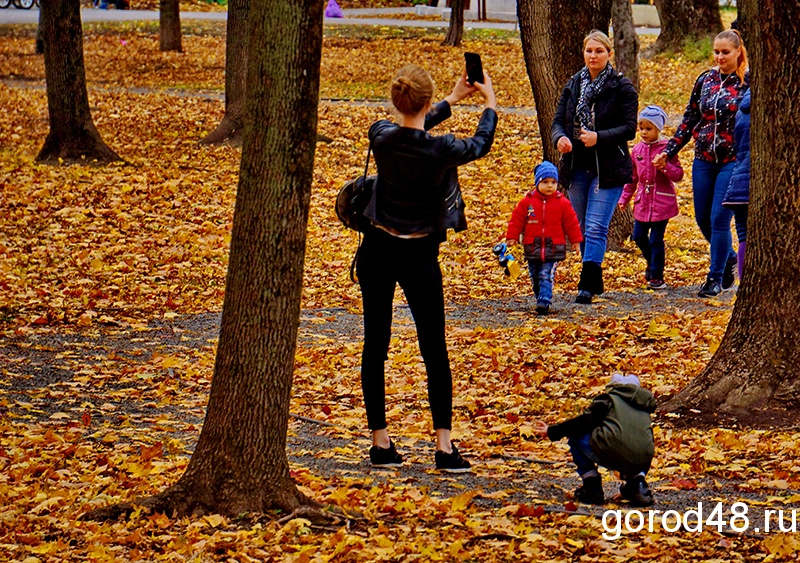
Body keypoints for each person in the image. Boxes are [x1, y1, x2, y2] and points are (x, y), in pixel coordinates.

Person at [358, 64, 497, 473]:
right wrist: (487, 103)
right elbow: (480, 144)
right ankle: (444, 446)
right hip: (420, 257)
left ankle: (380, 443)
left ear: (396, 100)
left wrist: (451, 101)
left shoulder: (381, 136)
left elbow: (408, 126)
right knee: (433, 348)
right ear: (423, 99)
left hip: (377, 251)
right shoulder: (441, 150)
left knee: (375, 345)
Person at [653, 29, 749, 298]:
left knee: (719, 219)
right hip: (704, 159)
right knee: (702, 218)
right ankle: (729, 258)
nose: (720, 56)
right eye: (716, 51)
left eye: (725, 52)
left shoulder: (747, 82)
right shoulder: (705, 80)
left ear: (738, 51)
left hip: (732, 160)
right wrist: (669, 151)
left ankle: (715, 278)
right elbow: (690, 118)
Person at [551, 29, 638, 305]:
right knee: (580, 226)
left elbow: (629, 128)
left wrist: (599, 137)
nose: (593, 55)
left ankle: (586, 284)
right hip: (577, 165)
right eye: (589, 51)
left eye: (599, 51)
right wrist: (560, 138)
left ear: (609, 54)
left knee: (596, 226)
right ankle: (595, 275)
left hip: (608, 166)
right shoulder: (574, 84)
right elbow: (556, 121)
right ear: (583, 53)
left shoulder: (621, 86)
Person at [532, 374, 657, 507]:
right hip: (643, 460)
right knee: (635, 444)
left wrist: (552, 431)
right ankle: (637, 486)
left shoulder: (609, 400)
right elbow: (642, 444)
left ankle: (592, 487)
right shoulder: (644, 408)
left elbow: (584, 421)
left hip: (611, 450)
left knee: (577, 435)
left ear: (612, 387)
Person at [618, 105, 684, 290]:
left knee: (656, 239)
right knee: (638, 236)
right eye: (641, 128)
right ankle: (652, 262)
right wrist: (624, 198)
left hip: (662, 202)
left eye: (649, 128)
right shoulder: (637, 150)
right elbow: (632, 178)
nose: (644, 133)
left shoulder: (667, 149)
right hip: (642, 202)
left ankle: (657, 276)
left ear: (658, 129)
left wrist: (664, 167)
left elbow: (678, 175)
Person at [504, 161, 583, 316]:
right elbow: (517, 220)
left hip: (553, 246)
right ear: (537, 183)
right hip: (532, 245)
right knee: (534, 275)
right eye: (545, 182)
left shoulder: (562, 203)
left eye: (553, 182)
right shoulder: (528, 202)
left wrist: (575, 241)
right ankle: (539, 295)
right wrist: (512, 237)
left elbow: (572, 223)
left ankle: (544, 300)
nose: (549, 186)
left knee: (546, 274)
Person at [722, 88, 750, 281]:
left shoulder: (741, 109)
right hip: (752, 180)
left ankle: (744, 283)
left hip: (738, 179)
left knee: (743, 234)